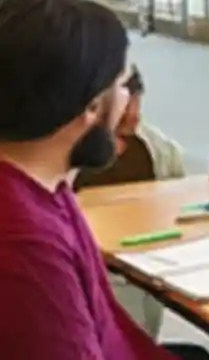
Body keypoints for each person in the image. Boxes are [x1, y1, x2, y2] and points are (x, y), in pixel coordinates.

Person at [0, 0, 209, 359]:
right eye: (123, 84)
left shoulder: (48, 186)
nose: (128, 104)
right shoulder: (25, 244)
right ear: (93, 106)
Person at [73, 66, 185, 339]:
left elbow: (175, 198)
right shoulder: (68, 156)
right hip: (96, 276)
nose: (133, 120)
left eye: (137, 109)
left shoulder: (157, 149)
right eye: (122, 115)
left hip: (144, 270)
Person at [75, 67, 186, 191]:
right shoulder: (74, 146)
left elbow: (178, 188)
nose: (134, 115)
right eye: (125, 104)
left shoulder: (159, 148)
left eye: (136, 101)